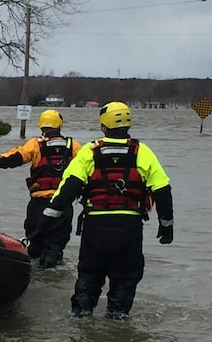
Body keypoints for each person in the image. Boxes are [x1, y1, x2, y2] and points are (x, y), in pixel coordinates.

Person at [37, 101, 173, 320]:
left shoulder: (89, 152)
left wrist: (47, 218)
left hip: (96, 228)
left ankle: (81, 317)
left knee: (89, 276)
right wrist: (166, 226)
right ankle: (117, 319)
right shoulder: (143, 152)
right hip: (129, 229)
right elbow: (163, 190)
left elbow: (68, 187)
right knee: (125, 279)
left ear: (103, 126)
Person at [0, 109, 82, 269]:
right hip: (62, 205)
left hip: (39, 205)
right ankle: (51, 272)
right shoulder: (75, 147)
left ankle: (32, 275)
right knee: (55, 247)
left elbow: (12, 158)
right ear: (60, 126)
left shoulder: (35, 145)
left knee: (34, 246)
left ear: (41, 127)